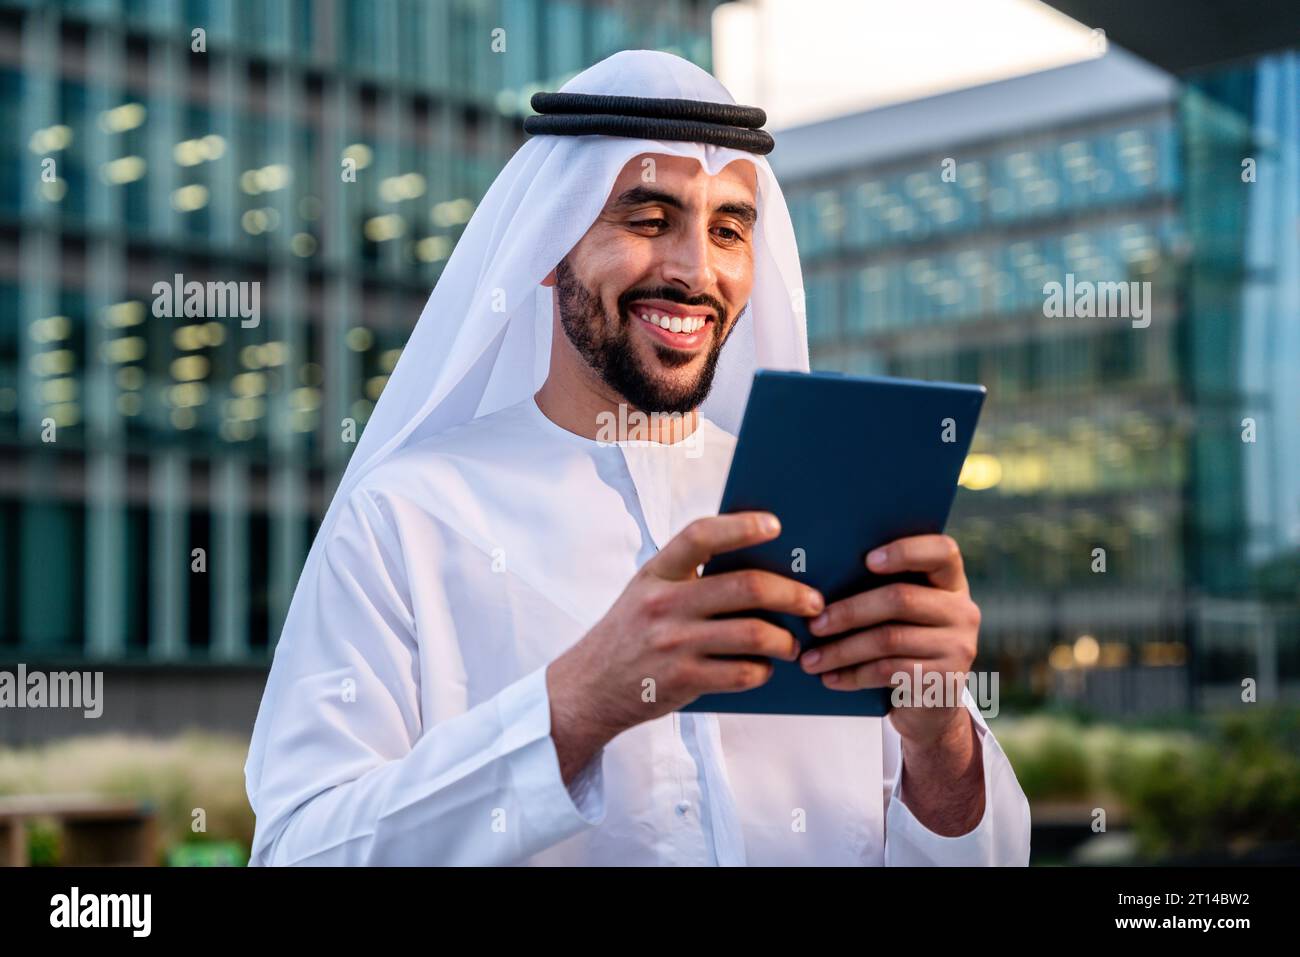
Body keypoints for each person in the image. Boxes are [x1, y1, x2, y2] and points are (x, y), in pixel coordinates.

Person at [244, 50, 1032, 866]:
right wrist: (578, 703)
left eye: (729, 229)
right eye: (649, 220)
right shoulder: (406, 515)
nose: (697, 271)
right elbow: (299, 850)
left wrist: (938, 734)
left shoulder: (829, 509)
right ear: (550, 248)